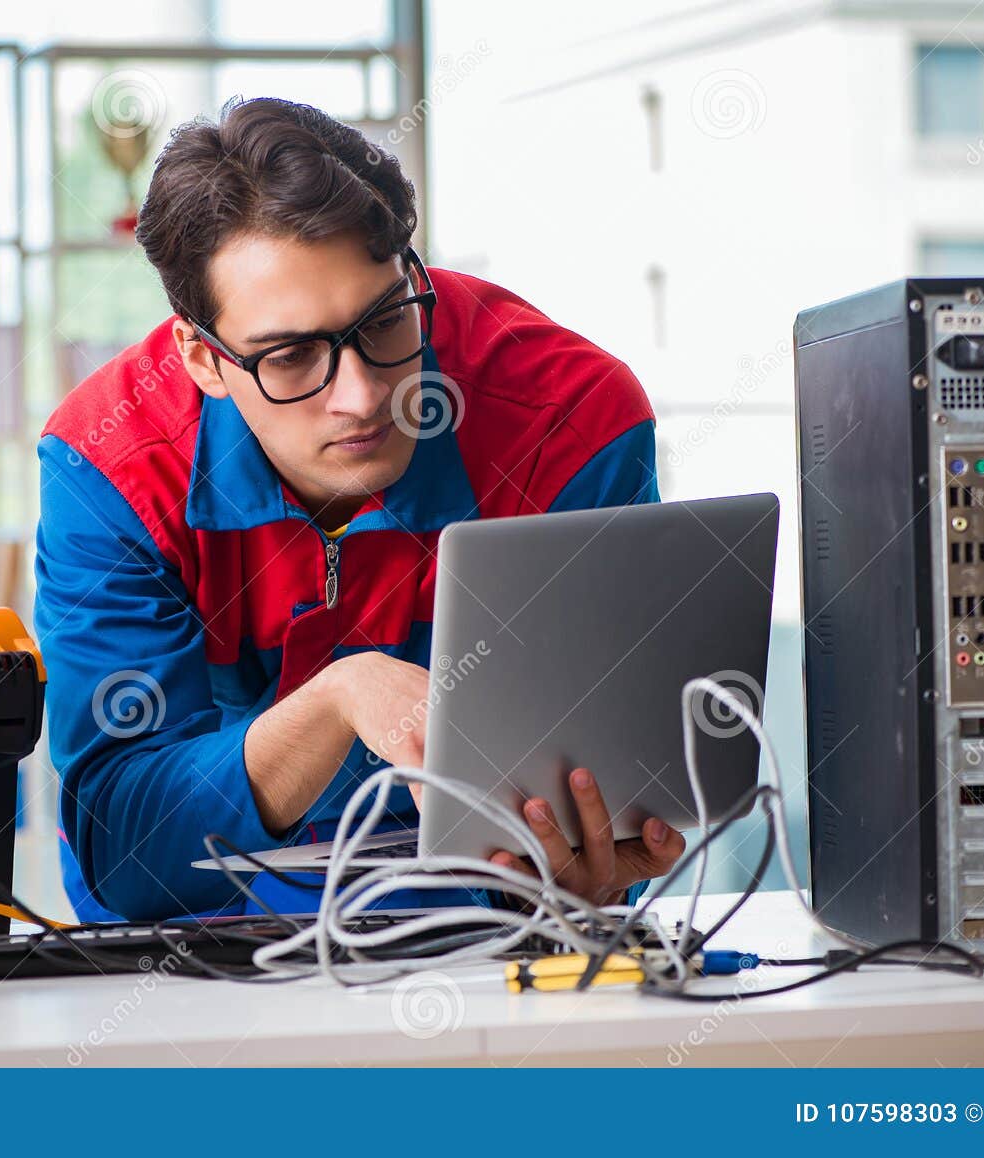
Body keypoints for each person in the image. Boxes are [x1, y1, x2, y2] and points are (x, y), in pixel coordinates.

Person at [35, 97, 685, 922]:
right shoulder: (108, 464)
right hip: (202, 944)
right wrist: (336, 700)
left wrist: (596, 867)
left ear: (412, 275)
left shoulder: (570, 419)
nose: (365, 396)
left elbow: (616, 794)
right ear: (201, 357)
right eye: (291, 355)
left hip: (475, 927)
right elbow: (126, 850)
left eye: (384, 321)